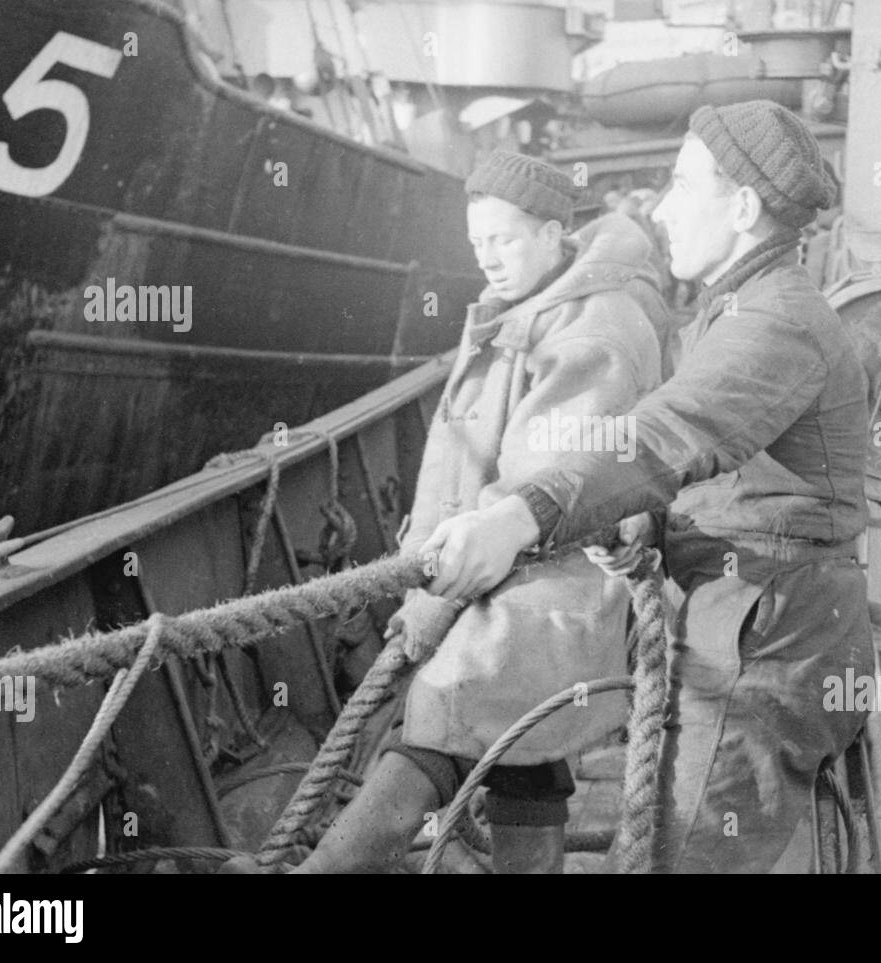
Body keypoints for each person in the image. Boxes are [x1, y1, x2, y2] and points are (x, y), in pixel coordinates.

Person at [417, 102, 876, 873]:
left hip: (768, 642)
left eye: (679, 185)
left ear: (742, 208)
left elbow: (665, 434)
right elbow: (700, 466)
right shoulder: (732, 311)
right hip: (751, 619)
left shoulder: (777, 323)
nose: (660, 210)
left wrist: (518, 516)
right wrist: (640, 524)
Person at [286, 150, 665, 874]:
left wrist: (431, 600)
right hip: (508, 580)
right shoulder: (540, 302)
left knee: (442, 715)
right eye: (477, 242)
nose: (487, 258)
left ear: (555, 234)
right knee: (521, 748)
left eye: (506, 239)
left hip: (543, 582)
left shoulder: (593, 329)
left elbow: (542, 489)